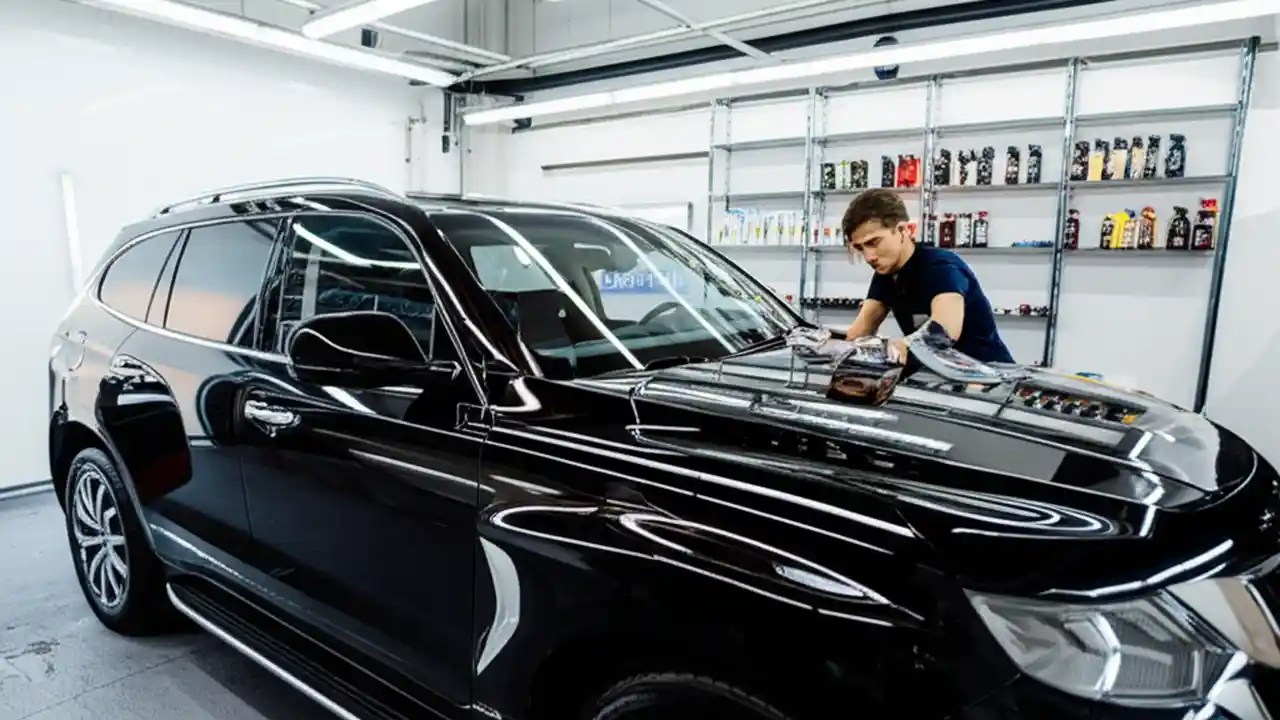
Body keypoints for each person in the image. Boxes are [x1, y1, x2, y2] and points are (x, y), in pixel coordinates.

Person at [841, 189, 1014, 365]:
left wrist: (899, 347)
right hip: (939, 371)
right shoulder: (886, 274)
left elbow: (944, 332)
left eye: (873, 242)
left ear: (902, 230)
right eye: (860, 248)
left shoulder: (940, 267)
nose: (869, 257)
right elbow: (858, 333)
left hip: (988, 371)